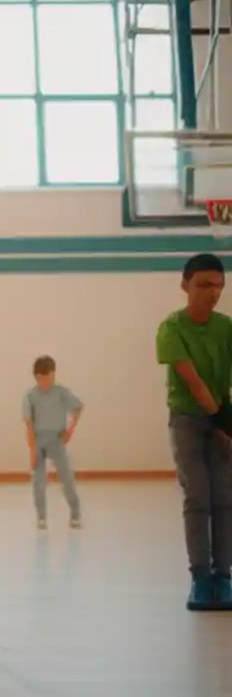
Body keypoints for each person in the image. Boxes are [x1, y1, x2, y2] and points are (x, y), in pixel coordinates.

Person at [155, 252, 232, 611]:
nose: (212, 293)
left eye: (218, 285)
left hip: (221, 417)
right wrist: (221, 420)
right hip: (189, 418)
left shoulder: (226, 327)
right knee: (198, 497)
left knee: (225, 498)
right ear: (185, 285)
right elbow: (194, 382)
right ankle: (201, 577)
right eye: (204, 285)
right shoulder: (172, 328)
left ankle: (224, 576)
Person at [23, 355, 83, 531]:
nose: (46, 382)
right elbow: (28, 424)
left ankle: (75, 513)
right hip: (39, 440)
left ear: (53, 374)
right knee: (38, 482)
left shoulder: (61, 392)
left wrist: (70, 430)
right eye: (42, 378)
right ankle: (41, 517)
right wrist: (32, 451)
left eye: (49, 377)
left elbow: (78, 408)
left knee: (67, 478)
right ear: (36, 377)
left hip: (57, 440)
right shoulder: (31, 396)